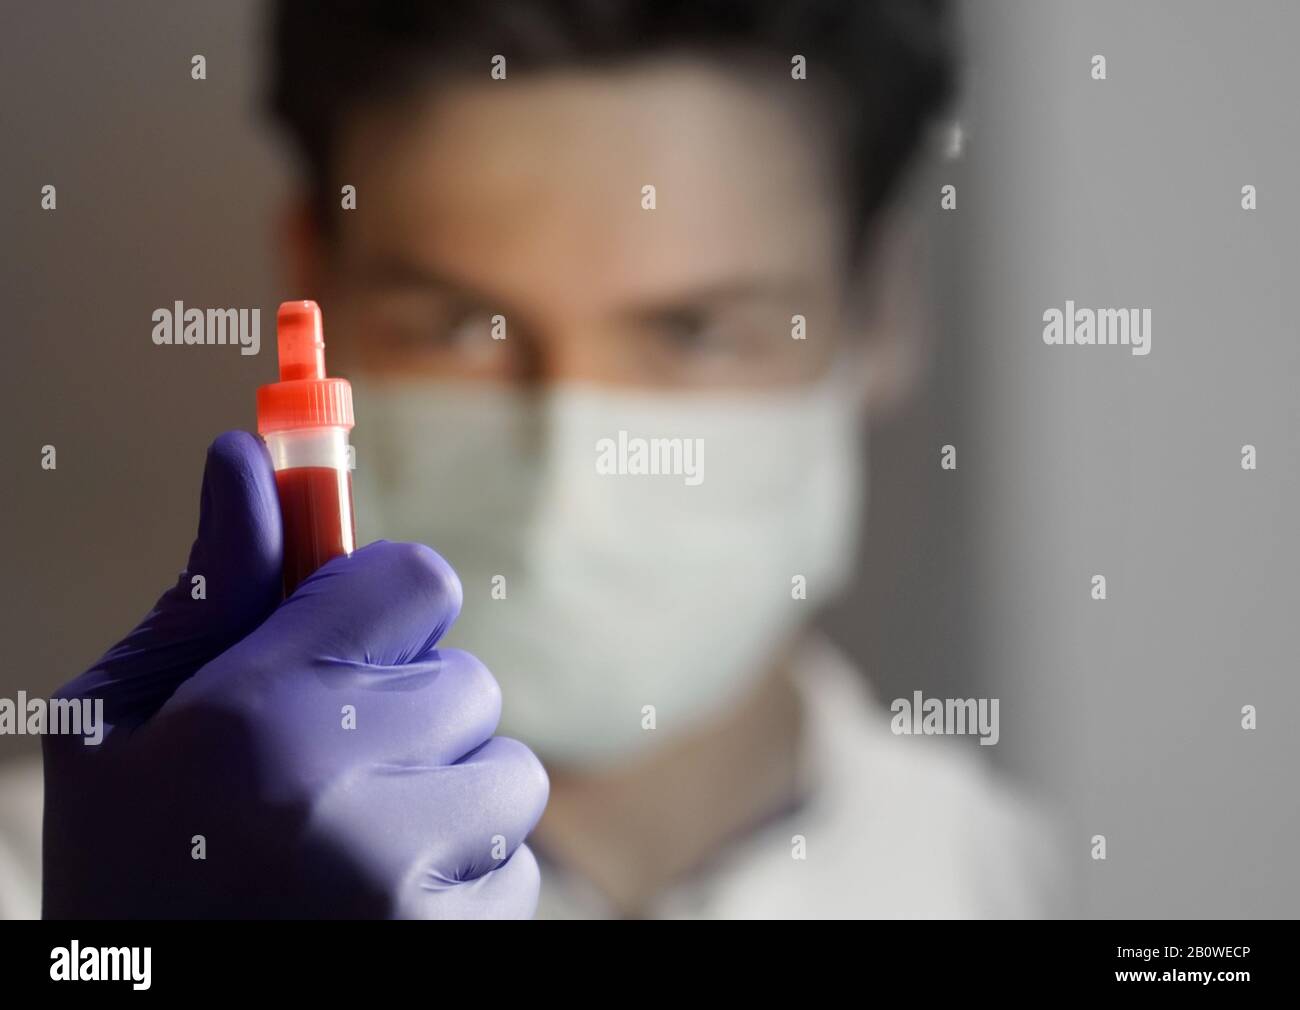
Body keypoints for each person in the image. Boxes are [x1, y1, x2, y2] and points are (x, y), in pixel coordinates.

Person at [2, 0, 1061, 919]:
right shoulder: (54, 892)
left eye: (693, 331)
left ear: (881, 310)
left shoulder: (1029, 884)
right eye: (462, 324)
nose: (566, 466)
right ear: (312, 288)